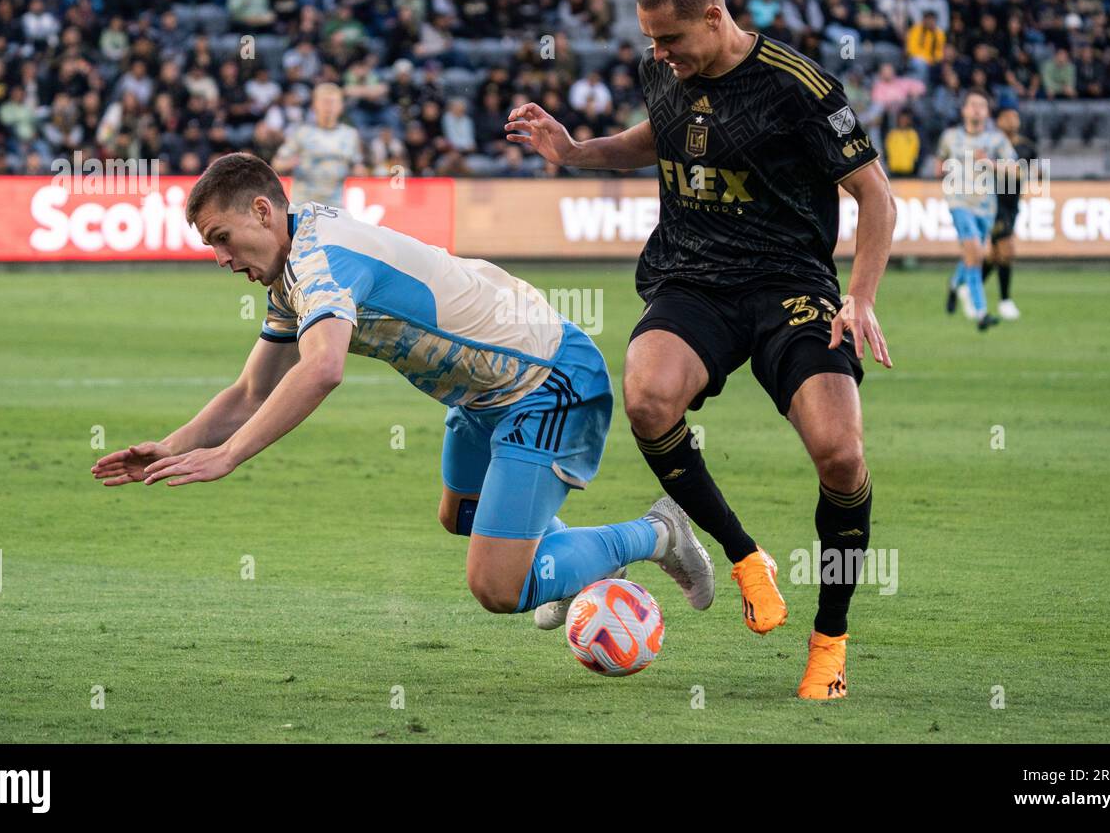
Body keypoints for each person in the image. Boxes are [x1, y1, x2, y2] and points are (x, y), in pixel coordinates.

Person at [91, 153, 714, 629]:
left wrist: (229, 456)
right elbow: (253, 389)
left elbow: (323, 368)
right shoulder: (291, 271)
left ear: (261, 211)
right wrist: (170, 447)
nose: (221, 259)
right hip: (482, 395)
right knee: (459, 515)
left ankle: (657, 533)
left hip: (546, 380)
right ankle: (570, 563)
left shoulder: (320, 262)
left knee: (498, 589)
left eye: (221, 239)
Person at [506, 0, 897, 699]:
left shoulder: (798, 85)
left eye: (670, 39)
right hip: (693, 280)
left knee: (841, 456)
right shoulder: (668, 73)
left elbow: (874, 196)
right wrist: (574, 152)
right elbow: (655, 136)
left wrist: (862, 296)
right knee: (649, 398)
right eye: (651, 41)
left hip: (789, 285)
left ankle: (830, 643)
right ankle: (745, 559)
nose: (659, 54)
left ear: (715, 18)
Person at [936, 90, 1017, 329]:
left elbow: (1014, 171)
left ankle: (953, 285)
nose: (976, 109)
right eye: (972, 105)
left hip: (986, 207)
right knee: (974, 252)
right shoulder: (950, 137)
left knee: (976, 254)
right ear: (964, 110)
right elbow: (939, 161)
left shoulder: (997, 141)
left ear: (987, 112)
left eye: (981, 105)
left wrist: (991, 164)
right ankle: (981, 313)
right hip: (959, 203)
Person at [271, 83, 364, 207]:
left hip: (335, 206)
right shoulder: (301, 132)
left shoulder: (350, 135)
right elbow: (276, 163)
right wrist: (289, 163)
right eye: (325, 102)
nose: (329, 107)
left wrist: (359, 171)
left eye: (333, 102)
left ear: (341, 106)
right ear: (314, 105)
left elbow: (358, 165)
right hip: (304, 205)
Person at [984, 107, 1036, 320]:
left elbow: (1023, 172)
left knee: (996, 254)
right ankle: (1005, 301)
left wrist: (996, 167)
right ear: (998, 122)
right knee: (1007, 249)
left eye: (1015, 115)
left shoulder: (1027, 146)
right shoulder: (989, 144)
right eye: (1006, 116)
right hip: (992, 202)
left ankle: (968, 285)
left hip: (1012, 203)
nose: (1012, 120)